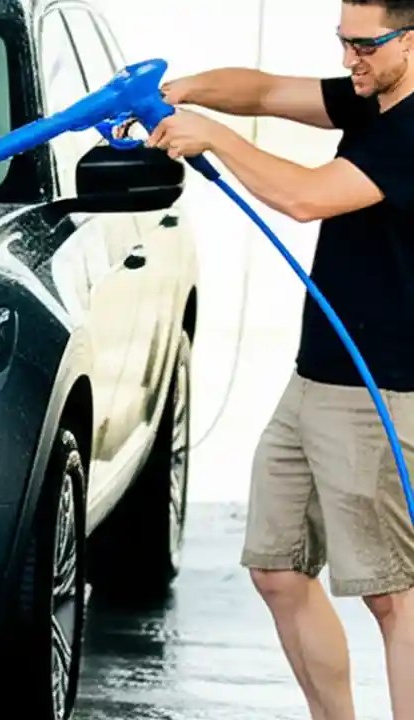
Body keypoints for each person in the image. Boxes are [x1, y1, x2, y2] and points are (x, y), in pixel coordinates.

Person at [146, 1, 414, 718]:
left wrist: (216, 139)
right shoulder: (371, 96)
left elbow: (304, 198)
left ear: (412, 41)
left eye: (365, 44)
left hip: (379, 391)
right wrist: (178, 93)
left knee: (394, 595)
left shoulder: (411, 130)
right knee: (278, 570)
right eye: (342, 42)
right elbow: (265, 90)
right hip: (316, 381)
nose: (349, 57)